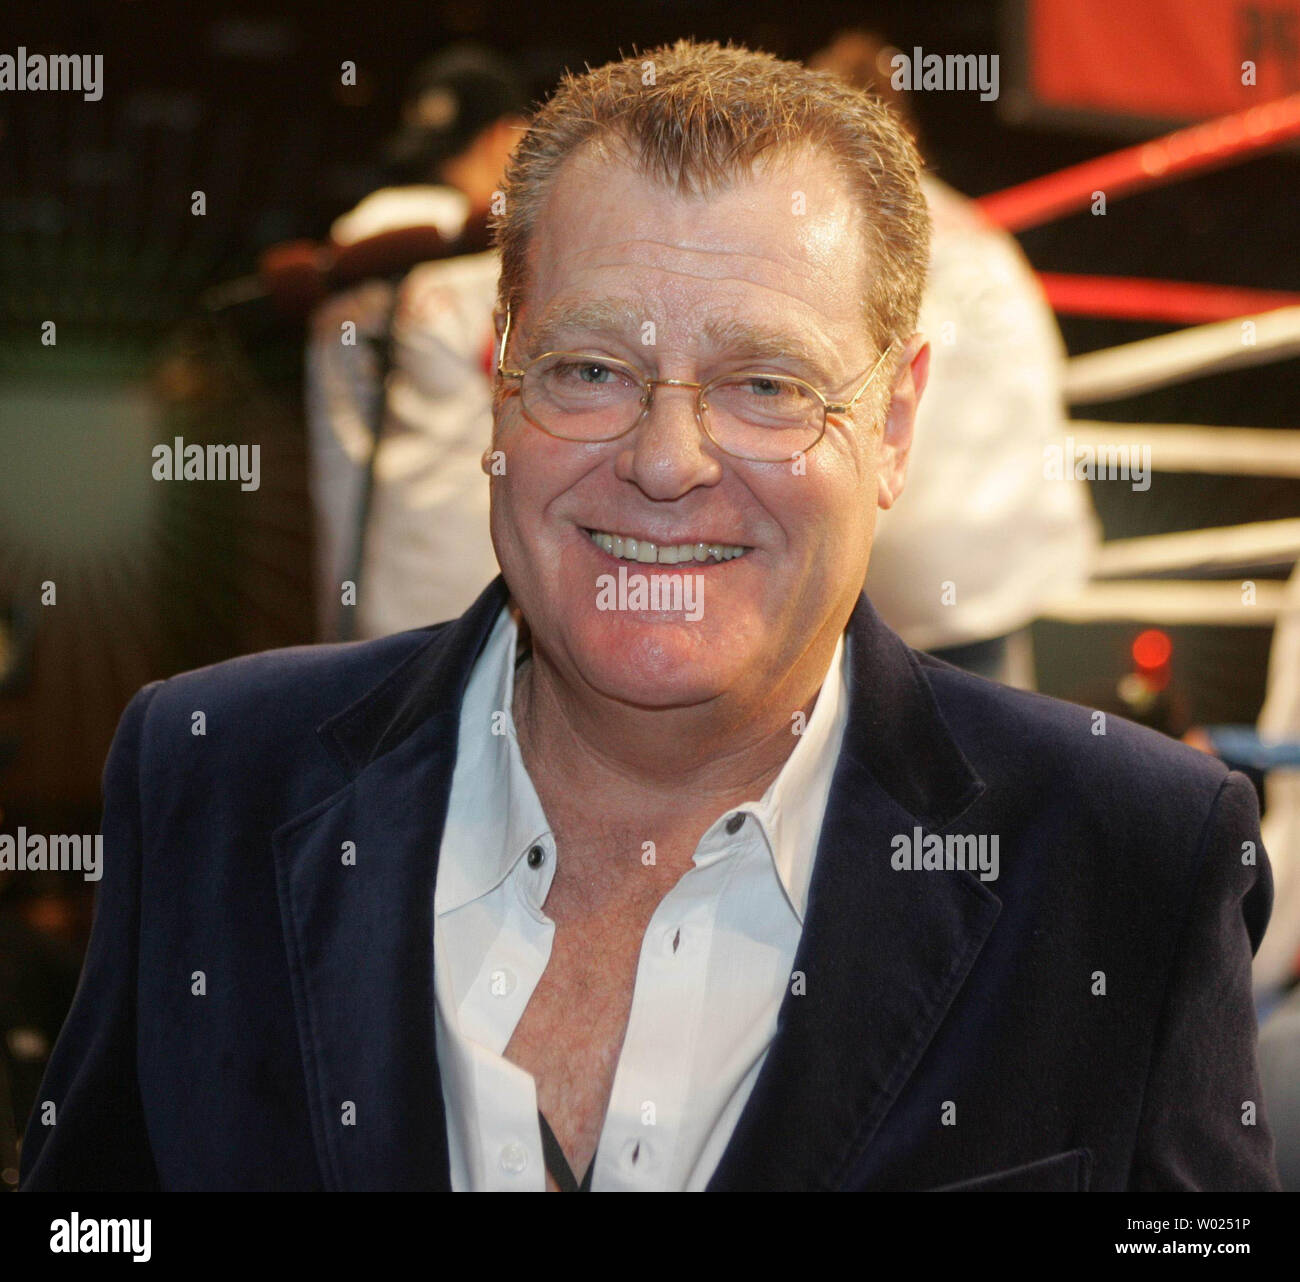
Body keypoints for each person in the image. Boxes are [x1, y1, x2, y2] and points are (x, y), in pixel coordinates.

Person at [21, 41, 1278, 1191]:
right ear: (498, 375)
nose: (667, 458)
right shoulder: (209, 775)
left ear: (894, 425)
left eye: (767, 384)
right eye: (588, 370)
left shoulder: (1132, 865)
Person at [810, 30, 1099, 686]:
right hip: (1000, 560)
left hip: (904, 575)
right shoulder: (972, 228)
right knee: (993, 756)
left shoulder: (833, 229)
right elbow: (1043, 373)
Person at [305, 45, 525, 639]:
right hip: (466, 596)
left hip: (355, 584)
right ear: (505, 135)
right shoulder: (486, 245)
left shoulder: (358, 229)